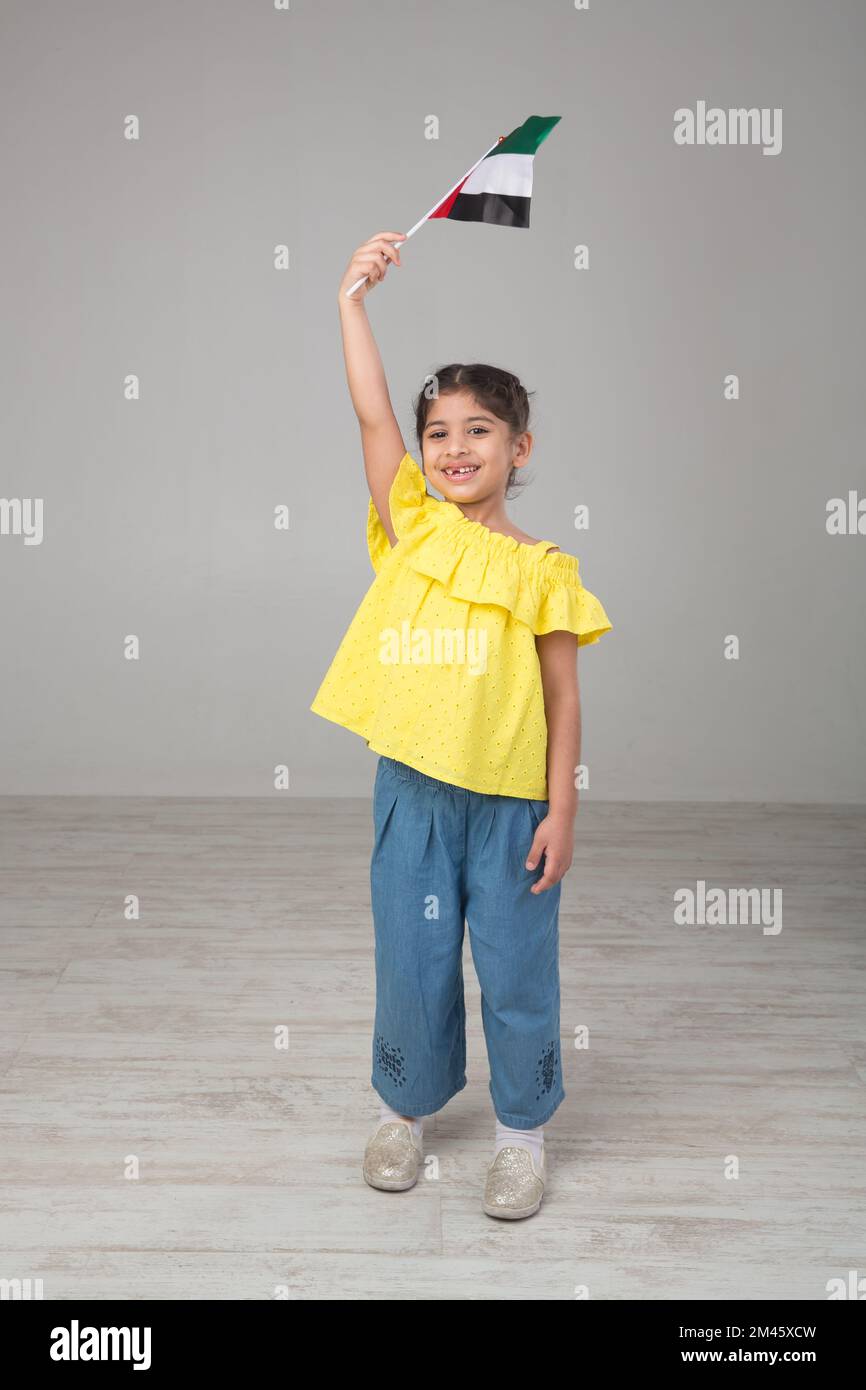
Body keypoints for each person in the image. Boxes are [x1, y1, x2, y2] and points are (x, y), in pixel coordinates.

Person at [310, 231, 613, 1219]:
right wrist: (352, 302)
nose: (452, 448)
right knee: (411, 957)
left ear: (516, 448)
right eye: (437, 431)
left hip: (511, 802)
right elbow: (368, 416)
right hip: (414, 794)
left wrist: (559, 809)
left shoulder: (545, 571)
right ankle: (403, 1108)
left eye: (476, 430)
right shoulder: (412, 525)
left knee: (516, 969)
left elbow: (562, 698)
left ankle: (521, 1135)